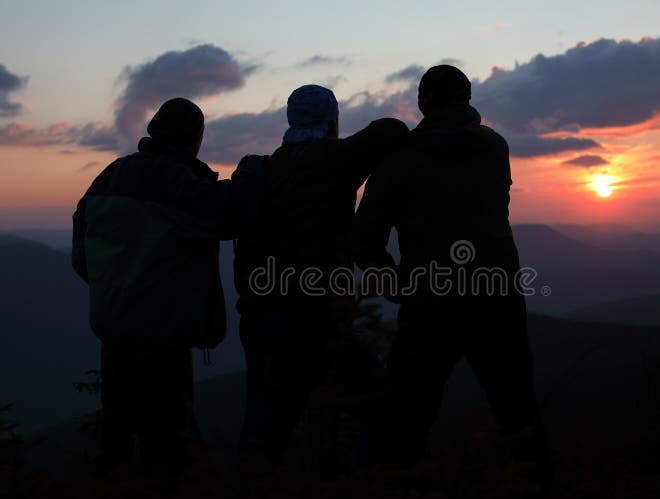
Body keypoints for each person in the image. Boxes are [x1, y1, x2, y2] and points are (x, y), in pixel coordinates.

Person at [354, 66, 551, 480]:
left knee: (406, 418)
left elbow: (365, 240)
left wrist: (396, 287)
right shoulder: (495, 147)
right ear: (468, 97)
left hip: (427, 302)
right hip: (497, 296)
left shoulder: (397, 161)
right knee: (517, 410)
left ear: (423, 102)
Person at [72, 97, 258, 477]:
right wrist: (250, 174)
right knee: (168, 433)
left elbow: (81, 254)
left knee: (117, 426)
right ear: (195, 137)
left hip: (113, 321)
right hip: (159, 328)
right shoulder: (173, 180)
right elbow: (228, 216)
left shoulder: (108, 176)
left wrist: (118, 285)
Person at [233, 84, 408, 465]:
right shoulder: (336, 160)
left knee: (263, 423)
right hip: (316, 315)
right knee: (374, 404)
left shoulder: (267, 167)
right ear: (333, 121)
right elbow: (392, 129)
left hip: (260, 313)